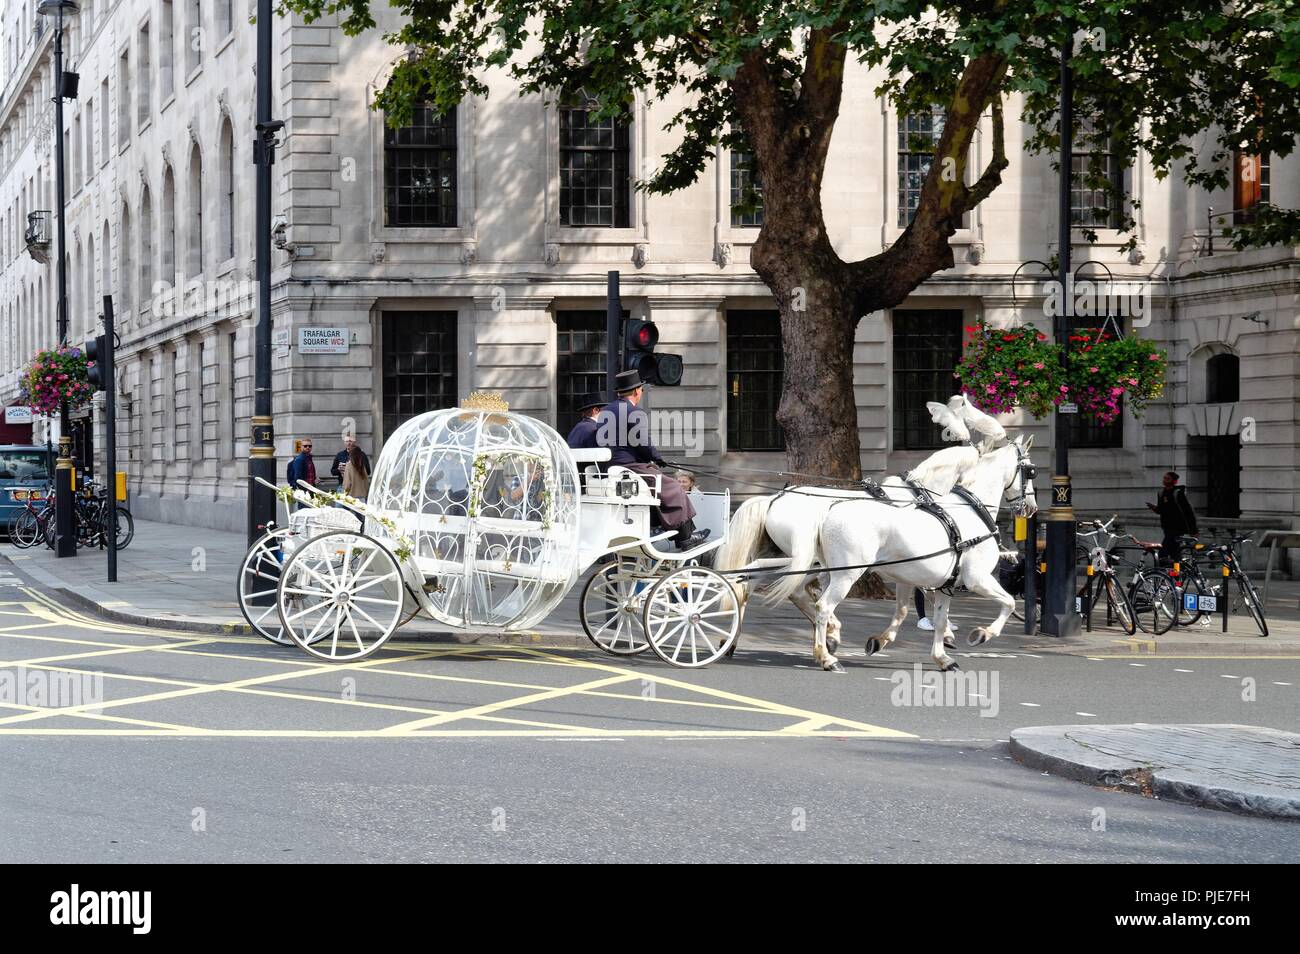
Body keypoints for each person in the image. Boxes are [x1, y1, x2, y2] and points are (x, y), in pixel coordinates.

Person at [597, 369, 708, 550]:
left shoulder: (605, 411)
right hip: (630, 465)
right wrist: (657, 458)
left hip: (611, 466)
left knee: (661, 486)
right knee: (673, 488)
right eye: (641, 390)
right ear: (636, 391)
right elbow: (642, 442)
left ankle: (681, 531)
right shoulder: (633, 412)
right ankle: (685, 538)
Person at [1147, 470, 1198, 564]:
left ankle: (1162, 571)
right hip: (1166, 526)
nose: (1165, 480)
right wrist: (1154, 508)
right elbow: (1161, 510)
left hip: (1177, 527)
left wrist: (1193, 530)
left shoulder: (1177, 493)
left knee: (1163, 552)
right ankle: (1178, 571)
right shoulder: (1161, 493)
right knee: (1175, 552)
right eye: (1164, 478)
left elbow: (1188, 511)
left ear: (1174, 481)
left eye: (1168, 478)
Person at [285, 439, 318, 509]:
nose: (308, 447)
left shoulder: (308, 458)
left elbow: (309, 474)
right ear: (301, 447)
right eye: (305, 446)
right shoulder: (300, 459)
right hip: (304, 492)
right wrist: (302, 491)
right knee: (304, 512)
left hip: (310, 491)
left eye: (310, 446)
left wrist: (314, 480)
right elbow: (298, 478)